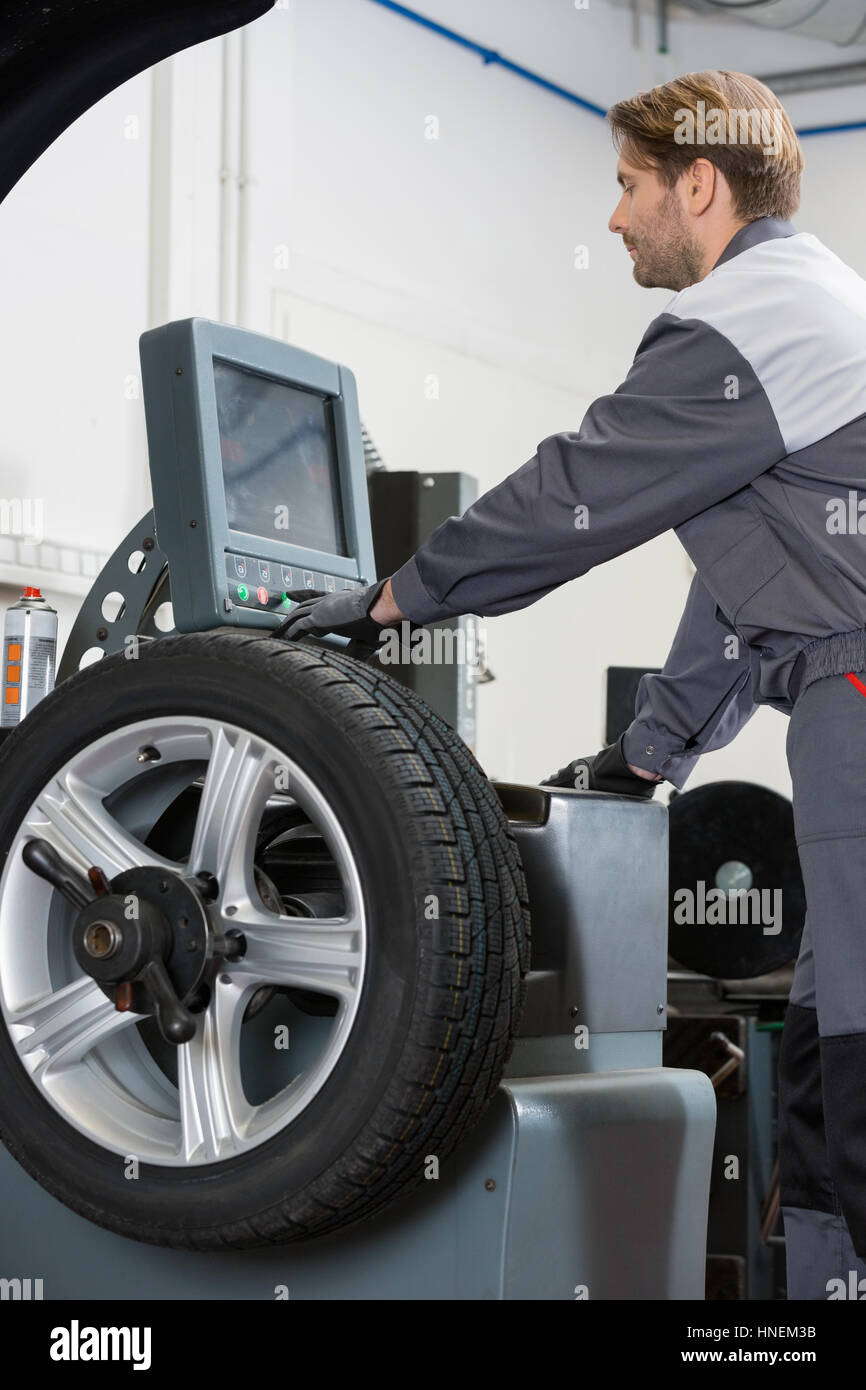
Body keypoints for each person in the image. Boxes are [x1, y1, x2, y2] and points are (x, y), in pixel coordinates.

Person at [278, 70, 866, 1301]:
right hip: (834, 697)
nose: (612, 219)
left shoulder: (743, 321)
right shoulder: (809, 308)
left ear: (695, 183)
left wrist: (389, 604)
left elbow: (574, 494)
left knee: (858, 1075)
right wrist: (649, 750)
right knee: (821, 1064)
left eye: (625, 186)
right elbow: (740, 577)